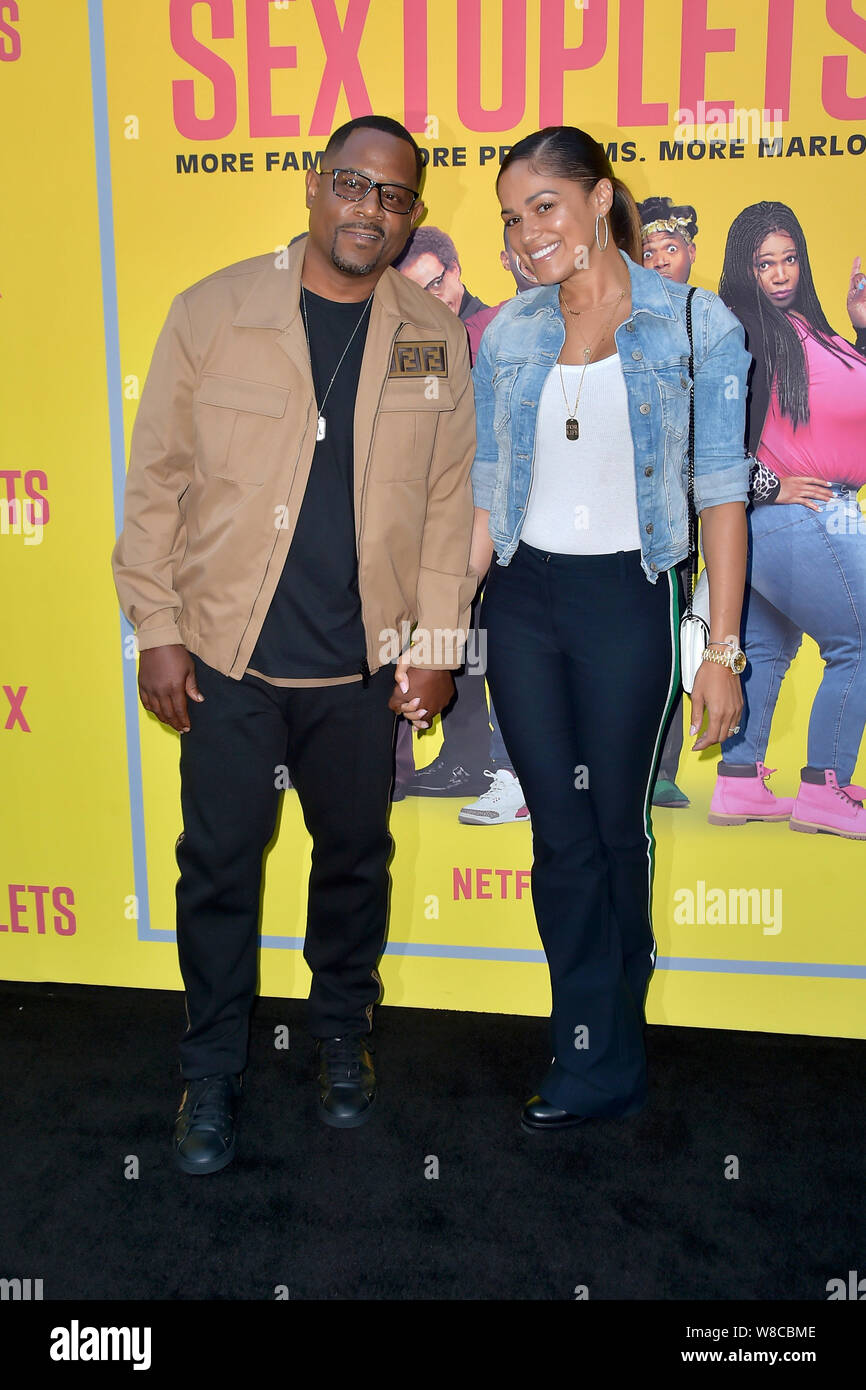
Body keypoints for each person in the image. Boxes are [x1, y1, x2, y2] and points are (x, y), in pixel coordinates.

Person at [111, 115, 477, 1172]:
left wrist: (438, 643)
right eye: (352, 186)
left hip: (362, 670)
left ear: (412, 216)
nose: (370, 209)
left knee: (354, 867)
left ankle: (339, 1040)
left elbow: (449, 504)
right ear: (314, 188)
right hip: (228, 661)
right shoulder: (213, 312)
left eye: (394, 196)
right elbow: (158, 486)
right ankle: (211, 1072)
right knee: (218, 872)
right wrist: (159, 628)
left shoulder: (428, 333)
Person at [471, 127, 750, 1130]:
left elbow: (721, 492)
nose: (524, 231)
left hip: (626, 602)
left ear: (599, 199)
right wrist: (432, 631)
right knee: (562, 836)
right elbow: (484, 495)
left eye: (543, 205)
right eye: (510, 215)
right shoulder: (507, 331)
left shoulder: (692, 323)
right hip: (522, 602)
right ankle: (588, 1045)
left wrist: (719, 647)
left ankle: (606, 1035)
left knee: (610, 827)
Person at [709, 202, 866, 837]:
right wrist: (766, 485)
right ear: (745, 269)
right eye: (764, 263)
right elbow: (706, 429)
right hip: (796, 514)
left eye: (789, 259)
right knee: (858, 642)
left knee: (770, 649)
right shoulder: (741, 331)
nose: (779, 274)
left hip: (840, 508)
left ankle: (740, 782)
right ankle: (826, 788)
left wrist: (861, 329)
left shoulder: (812, 329)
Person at [636, 196, 701, 811]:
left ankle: (662, 768)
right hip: (619, 514)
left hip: (681, 521)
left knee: (673, 643)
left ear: (692, 254)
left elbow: (734, 437)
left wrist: (764, 488)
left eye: (669, 250)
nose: (657, 261)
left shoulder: (712, 326)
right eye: (647, 252)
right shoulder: (620, 320)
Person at [394, 225, 487, 318]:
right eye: (420, 296)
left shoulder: (492, 327)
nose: (433, 302)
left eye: (436, 284)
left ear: (454, 269)